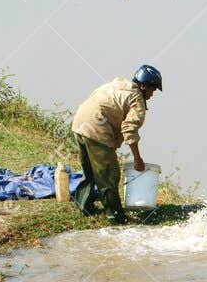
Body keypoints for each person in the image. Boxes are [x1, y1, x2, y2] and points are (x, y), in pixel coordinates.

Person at [69, 65, 162, 221]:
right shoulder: (137, 99)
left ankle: (85, 207)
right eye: (152, 90)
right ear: (143, 85)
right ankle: (115, 216)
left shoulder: (117, 84)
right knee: (109, 175)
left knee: (90, 172)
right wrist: (137, 158)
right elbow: (129, 130)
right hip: (97, 129)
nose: (152, 95)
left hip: (79, 123)